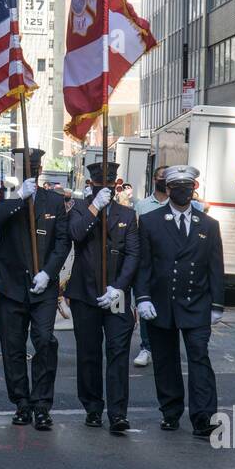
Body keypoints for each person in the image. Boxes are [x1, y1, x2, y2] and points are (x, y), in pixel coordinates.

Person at [135, 165, 225, 436]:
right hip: (161, 303)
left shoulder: (209, 225)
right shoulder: (150, 221)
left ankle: (203, 417)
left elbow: (216, 267)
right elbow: (144, 265)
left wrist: (217, 304)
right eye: (178, 187)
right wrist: (142, 298)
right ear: (169, 189)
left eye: (189, 186)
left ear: (194, 189)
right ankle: (170, 412)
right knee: (165, 360)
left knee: (199, 358)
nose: (184, 191)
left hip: (197, 303)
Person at [0, 147, 72, 430]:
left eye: (34, 166)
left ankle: (42, 405)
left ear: (40, 168)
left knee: (45, 342)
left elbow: (63, 241)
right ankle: (21, 403)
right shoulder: (8, 197)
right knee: (12, 347)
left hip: (43, 288)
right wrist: (18, 197)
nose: (30, 171)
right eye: (25, 166)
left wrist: (49, 273)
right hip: (12, 286)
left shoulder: (53, 200)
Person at [69, 156, 140, 434]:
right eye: (100, 184)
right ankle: (93, 408)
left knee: (118, 352)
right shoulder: (78, 209)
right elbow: (75, 234)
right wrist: (94, 208)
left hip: (117, 294)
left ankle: (118, 412)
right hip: (84, 293)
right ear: (90, 184)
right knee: (88, 354)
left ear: (118, 185)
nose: (105, 188)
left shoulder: (126, 215)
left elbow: (134, 254)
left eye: (110, 183)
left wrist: (119, 287)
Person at [132, 165, 170, 368]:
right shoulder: (142, 205)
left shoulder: (178, 205)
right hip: (148, 265)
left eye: (167, 177)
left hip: (170, 266)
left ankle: (165, 349)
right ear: (154, 179)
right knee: (146, 306)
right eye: (161, 177)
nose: (164, 180)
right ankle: (146, 347)